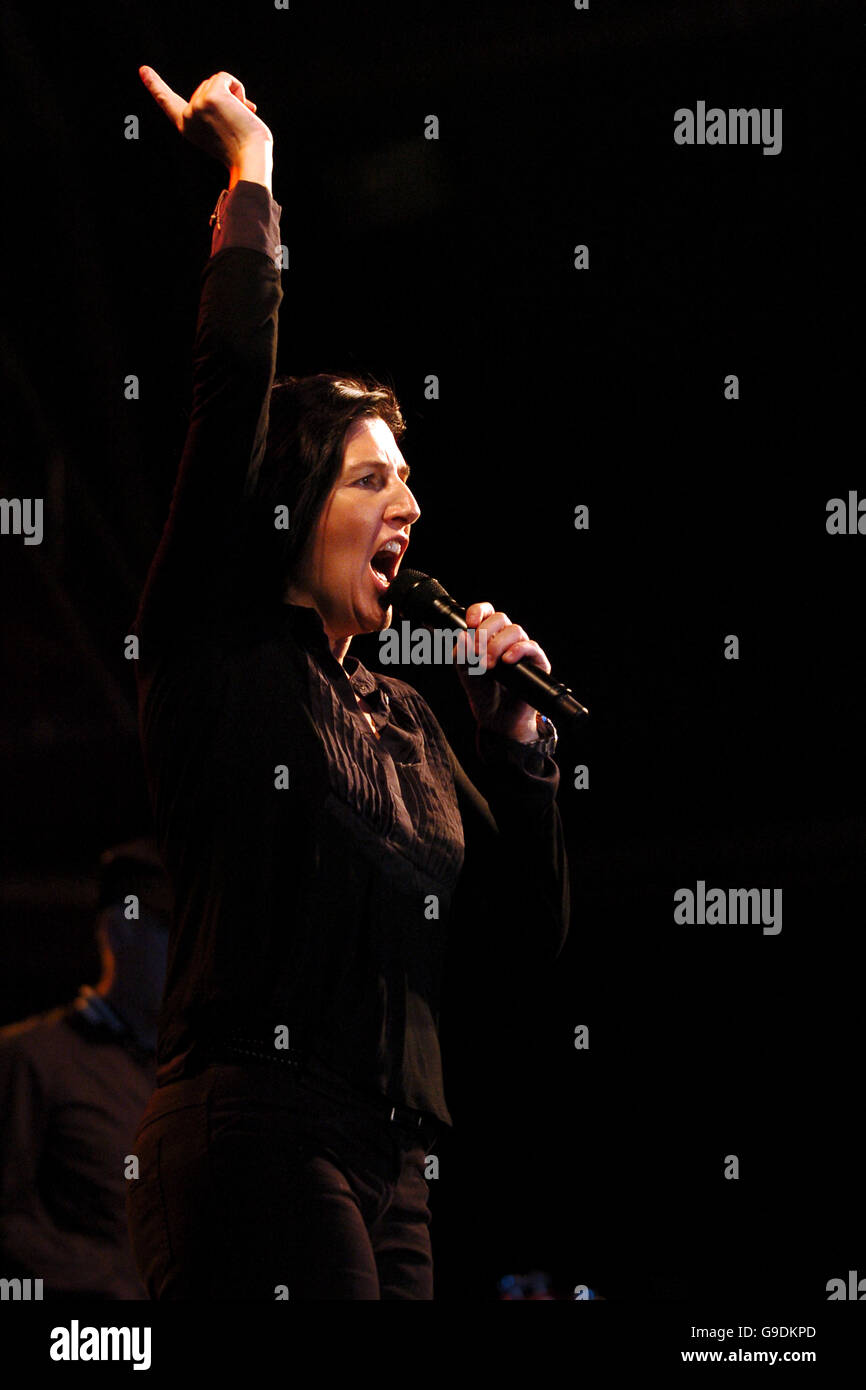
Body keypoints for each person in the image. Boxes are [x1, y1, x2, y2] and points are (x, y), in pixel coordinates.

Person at [126, 66, 571, 1301]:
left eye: (407, 481)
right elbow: (227, 400)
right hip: (254, 1132)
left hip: (395, 1163)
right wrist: (249, 172)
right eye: (371, 479)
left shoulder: (403, 717)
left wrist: (520, 752)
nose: (409, 504)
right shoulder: (222, 646)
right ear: (290, 508)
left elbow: (514, 943)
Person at [0, 839, 170, 1299]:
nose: (189, 955)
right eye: (170, 931)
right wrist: (115, 1286)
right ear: (119, 931)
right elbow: (9, 1219)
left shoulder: (180, 1077)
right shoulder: (30, 1058)